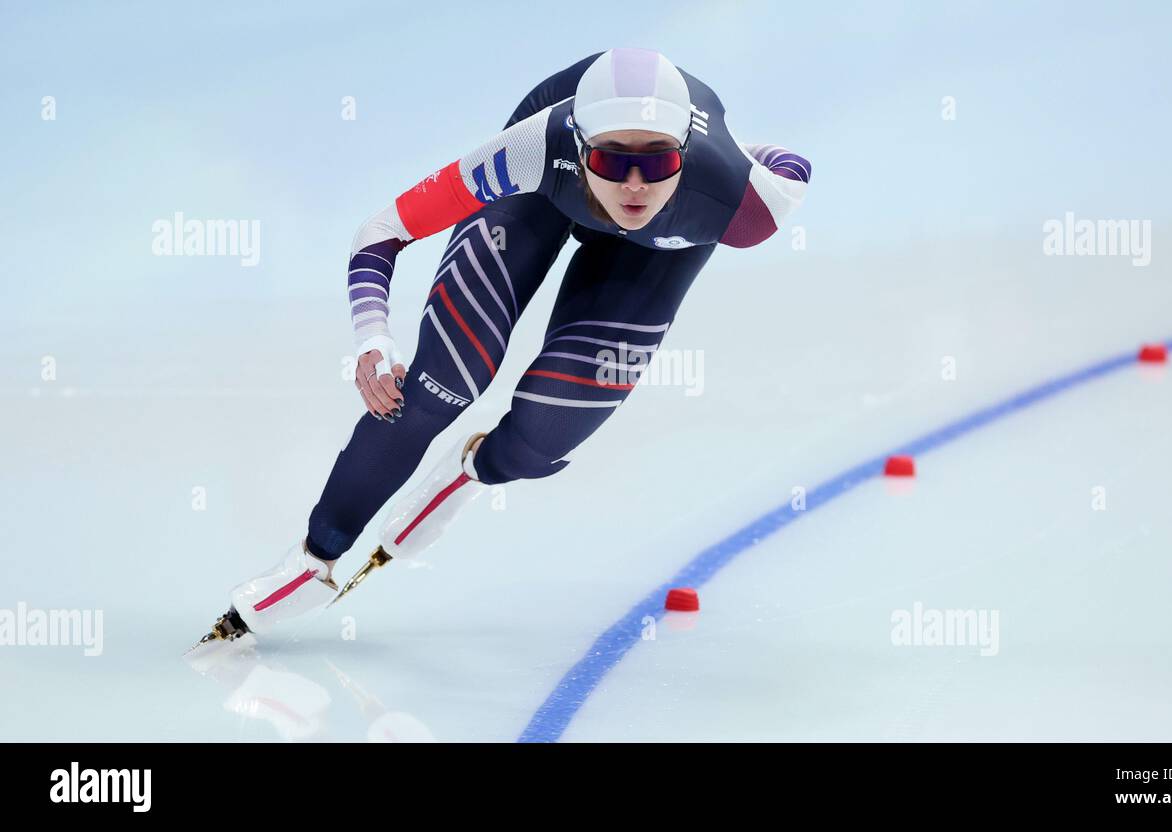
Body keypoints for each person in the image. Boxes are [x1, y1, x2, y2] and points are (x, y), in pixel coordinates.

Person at [194, 48, 811, 646]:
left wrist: (741, 150)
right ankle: (311, 561)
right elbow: (382, 231)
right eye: (610, 158)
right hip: (540, 199)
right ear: (578, 143)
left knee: (544, 435)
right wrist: (373, 339)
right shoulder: (533, 148)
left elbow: (790, 163)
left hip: (671, 229)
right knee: (444, 384)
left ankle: (467, 474)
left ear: (684, 153)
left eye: (655, 163)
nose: (632, 185)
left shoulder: (749, 203)